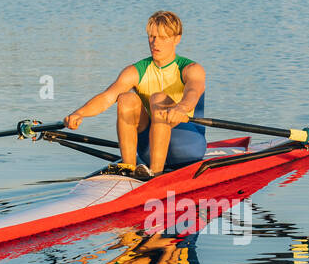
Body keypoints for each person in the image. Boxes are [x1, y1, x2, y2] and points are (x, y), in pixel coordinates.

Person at [63, 11, 206, 180]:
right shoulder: (136, 71)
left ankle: (156, 174)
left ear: (177, 39)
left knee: (158, 98)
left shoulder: (191, 69)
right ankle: (128, 169)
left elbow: (193, 93)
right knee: (125, 98)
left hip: (187, 146)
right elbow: (107, 97)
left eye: (163, 37)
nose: (155, 42)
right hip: (149, 149)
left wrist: (181, 108)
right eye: (152, 36)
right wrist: (79, 113)